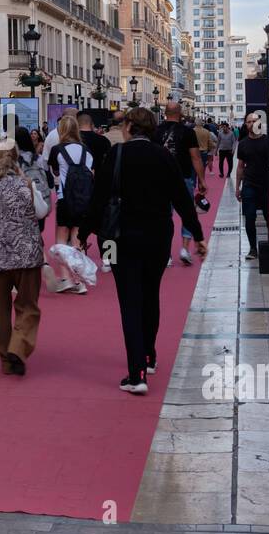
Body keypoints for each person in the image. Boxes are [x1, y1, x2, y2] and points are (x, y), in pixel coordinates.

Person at [80, 108, 207, 395]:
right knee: (151, 294)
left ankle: (136, 373)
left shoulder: (117, 154)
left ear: (129, 127)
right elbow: (181, 198)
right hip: (158, 236)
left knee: (130, 301)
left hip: (123, 237)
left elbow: (99, 197)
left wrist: (83, 233)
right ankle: (149, 356)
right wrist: (197, 234)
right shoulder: (164, 156)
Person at [0, 139, 50, 376]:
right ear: (14, 160)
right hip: (27, 255)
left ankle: (6, 358)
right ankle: (19, 345)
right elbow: (42, 211)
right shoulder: (25, 183)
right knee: (28, 306)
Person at [46, 113, 95, 294]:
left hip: (64, 199)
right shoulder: (87, 151)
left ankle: (66, 277)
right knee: (77, 241)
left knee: (61, 241)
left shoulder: (57, 150)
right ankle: (80, 280)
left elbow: (55, 173)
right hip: (83, 200)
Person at [156, 102, 205, 266]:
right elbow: (196, 157)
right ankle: (184, 248)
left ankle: (166, 254)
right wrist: (202, 180)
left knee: (164, 217)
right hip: (183, 178)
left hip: (161, 180)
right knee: (188, 213)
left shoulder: (156, 131)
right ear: (180, 113)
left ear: (165, 113)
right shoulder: (188, 132)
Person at [236, 111, 269, 261]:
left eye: (253, 121)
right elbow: (240, 166)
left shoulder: (267, 141)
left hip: (266, 184)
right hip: (249, 183)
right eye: (248, 122)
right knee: (249, 217)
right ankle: (252, 248)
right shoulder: (243, 143)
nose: (251, 124)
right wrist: (237, 187)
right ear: (246, 124)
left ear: (259, 123)